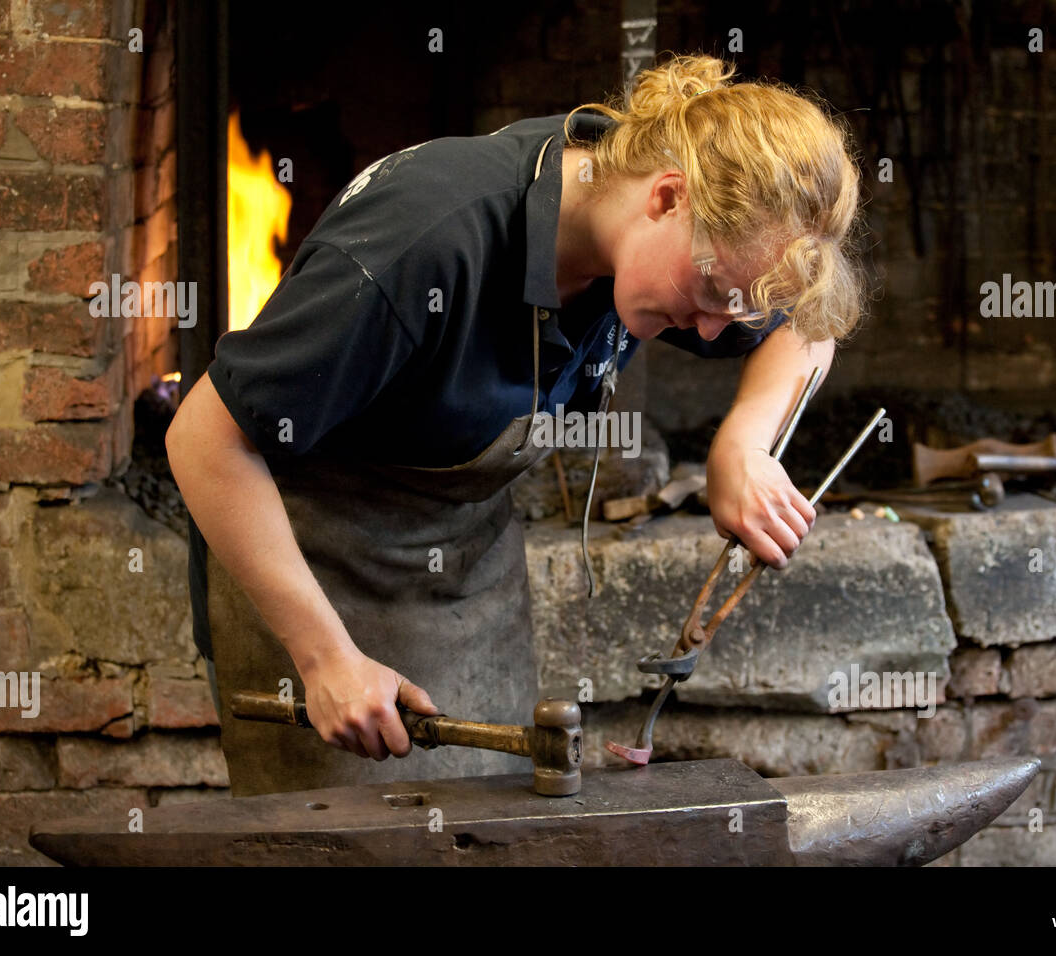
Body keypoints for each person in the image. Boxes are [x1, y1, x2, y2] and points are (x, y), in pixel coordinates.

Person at [165, 54, 865, 797]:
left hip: (467, 585)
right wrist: (324, 658)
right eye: (713, 293)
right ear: (667, 196)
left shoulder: (666, 244)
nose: (714, 329)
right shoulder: (426, 240)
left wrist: (745, 443)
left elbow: (809, 328)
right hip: (312, 575)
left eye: (739, 310)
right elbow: (205, 437)